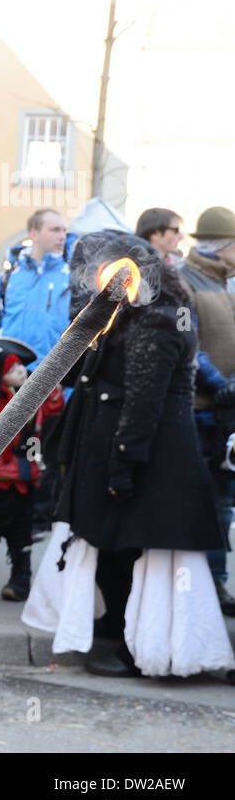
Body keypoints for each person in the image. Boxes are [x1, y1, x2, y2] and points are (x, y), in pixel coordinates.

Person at [24, 235, 234, 678]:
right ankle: (118, 630)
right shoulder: (131, 314)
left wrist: (123, 466)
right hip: (119, 452)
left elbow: (144, 402)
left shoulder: (156, 319)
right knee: (113, 548)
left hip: (151, 459)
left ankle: (137, 647)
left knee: (134, 552)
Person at [0, 337, 63, 602]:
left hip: (27, 476)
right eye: (12, 369)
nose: (21, 371)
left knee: (22, 532)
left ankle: (20, 580)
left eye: (21, 367)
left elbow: (55, 406)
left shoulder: (33, 394)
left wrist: (51, 382)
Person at [180, 205, 235, 616]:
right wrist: (220, 386)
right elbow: (188, 346)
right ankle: (201, 588)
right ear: (224, 247)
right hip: (199, 411)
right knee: (201, 501)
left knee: (223, 502)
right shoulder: (184, 281)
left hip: (225, 415)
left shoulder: (227, 285)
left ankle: (217, 583)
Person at [0, 208, 71, 366]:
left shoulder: (72, 278)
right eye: (55, 230)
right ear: (34, 234)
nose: (62, 237)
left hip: (53, 377)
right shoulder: (8, 277)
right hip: (10, 373)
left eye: (64, 230)